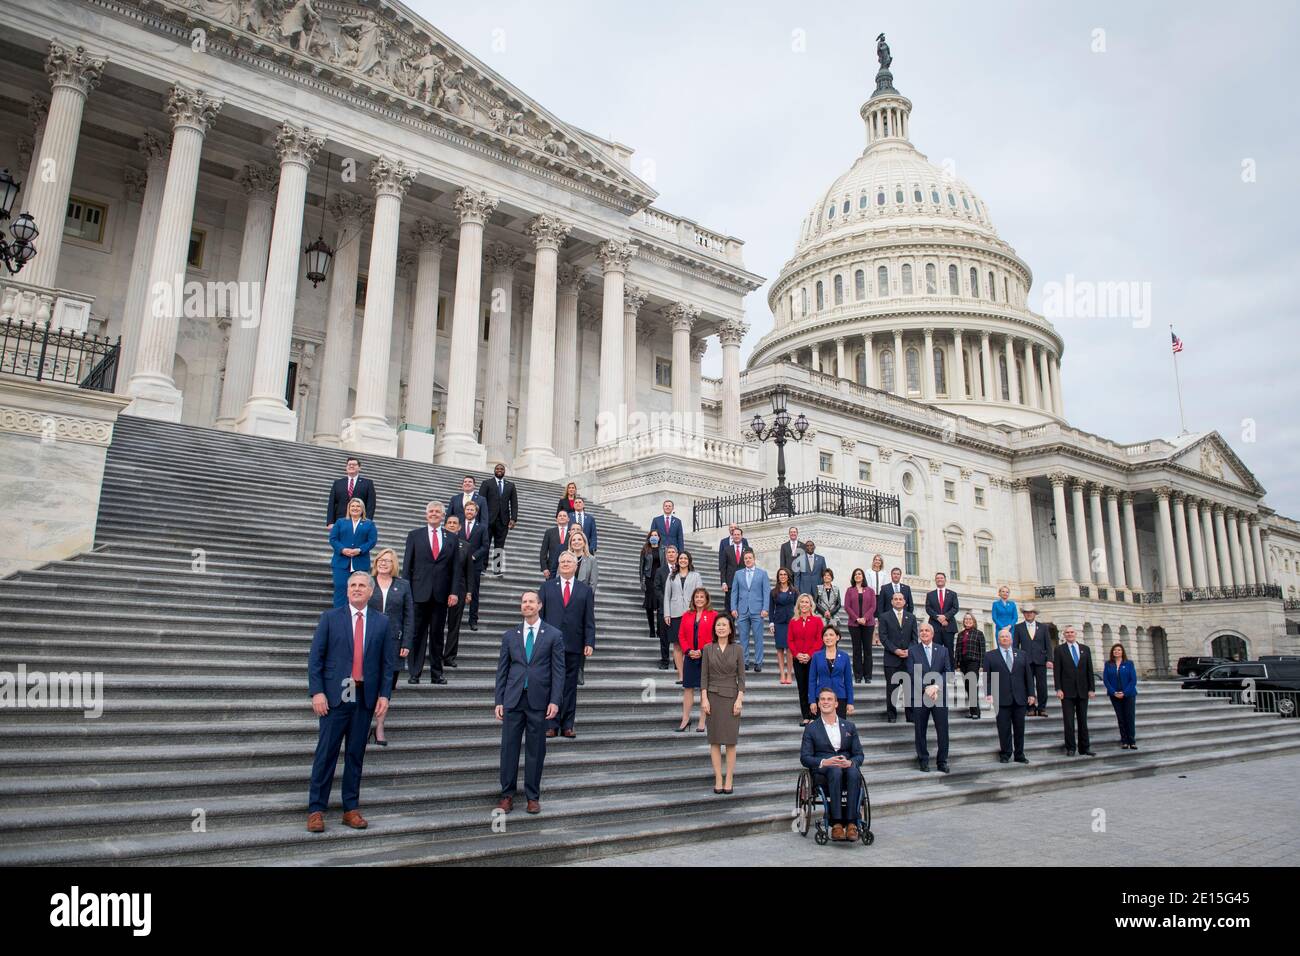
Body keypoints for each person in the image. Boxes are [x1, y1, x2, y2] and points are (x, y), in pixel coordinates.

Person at [306, 572, 394, 833]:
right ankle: (316, 810)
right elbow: (315, 659)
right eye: (352, 585)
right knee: (326, 754)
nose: (356, 589)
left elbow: (387, 664)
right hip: (335, 696)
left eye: (361, 586)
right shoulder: (330, 618)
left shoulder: (382, 622)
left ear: (370, 592)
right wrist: (317, 693)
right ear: (347, 591)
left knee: (355, 755)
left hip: (364, 697)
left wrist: (384, 695)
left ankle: (350, 809)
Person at [494, 591, 564, 815]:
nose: (527, 605)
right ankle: (506, 795)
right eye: (524, 602)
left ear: (540, 605)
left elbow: (558, 671)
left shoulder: (553, 635)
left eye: (531, 601)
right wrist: (499, 700)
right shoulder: (510, 636)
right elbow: (502, 671)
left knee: (536, 751)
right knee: (509, 749)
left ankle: (532, 796)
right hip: (513, 700)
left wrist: (555, 700)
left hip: (539, 701)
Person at [402, 502, 463, 685]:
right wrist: (406, 591)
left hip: (441, 594)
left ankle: (437, 673)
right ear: (426, 514)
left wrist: (454, 592)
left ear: (443, 515)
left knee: (437, 635)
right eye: (431, 511)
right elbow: (407, 567)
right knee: (417, 634)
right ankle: (415, 673)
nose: (434, 514)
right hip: (418, 593)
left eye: (438, 512)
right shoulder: (414, 535)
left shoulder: (451, 538)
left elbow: (455, 569)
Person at [539, 552, 596, 739]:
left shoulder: (585, 590)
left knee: (570, 686)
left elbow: (589, 619)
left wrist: (589, 642)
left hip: (574, 644)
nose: (565, 564)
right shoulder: (546, 588)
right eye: (562, 561)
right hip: (550, 645)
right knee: (551, 684)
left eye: (569, 562)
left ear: (575, 566)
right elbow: (540, 618)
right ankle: (551, 724)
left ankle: (567, 725)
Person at [799, 688, 865, 842]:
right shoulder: (811, 729)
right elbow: (805, 757)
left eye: (829, 699)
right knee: (835, 771)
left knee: (854, 772)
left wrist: (851, 762)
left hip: (846, 767)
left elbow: (859, 755)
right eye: (822, 699)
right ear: (818, 703)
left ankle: (851, 823)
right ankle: (836, 824)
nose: (826, 702)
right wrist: (824, 762)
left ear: (836, 703)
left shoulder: (849, 726)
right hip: (824, 772)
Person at [368, 547, 412, 746]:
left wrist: (407, 642)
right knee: (365, 683)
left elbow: (409, 617)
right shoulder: (367, 583)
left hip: (394, 643)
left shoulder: (403, 585)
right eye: (380, 560)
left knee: (387, 686)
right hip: (368, 641)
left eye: (387, 560)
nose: (383, 563)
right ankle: (362, 722)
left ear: (394, 564)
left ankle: (379, 725)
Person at [701, 614, 745, 794]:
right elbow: (704, 676)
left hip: (732, 697)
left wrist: (739, 699)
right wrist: (704, 698)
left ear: (730, 629)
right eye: (718, 625)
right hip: (712, 696)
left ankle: (729, 777)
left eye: (724, 625)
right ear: (714, 628)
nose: (720, 628)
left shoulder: (738, 649)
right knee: (714, 741)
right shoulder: (707, 648)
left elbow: (741, 677)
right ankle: (718, 776)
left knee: (730, 742)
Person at [983, 627, 1035, 764]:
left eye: (1007, 636)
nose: (1004, 638)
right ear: (998, 639)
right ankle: (1005, 753)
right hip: (1001, 697)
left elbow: (1028, 676)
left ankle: (1019, 754)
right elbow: (987, 677)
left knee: (1019, 728)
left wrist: (1031, 694)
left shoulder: (1022, 654)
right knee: (1003, 728)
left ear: (1011, 639)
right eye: (1002, 637)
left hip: (1020, 698)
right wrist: (988, 693)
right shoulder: (990, 656)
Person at [908, 623, 951, 773]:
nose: (924, 633)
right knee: (920, 730)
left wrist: (936, 687)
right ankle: (923, 760)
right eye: (921, 631)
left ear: (932, 634)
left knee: (943, 730)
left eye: (927, 630)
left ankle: (942, 761)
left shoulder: (943, 650)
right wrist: (926, 688)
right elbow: (912, 673)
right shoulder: (913, 651)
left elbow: (947, 672)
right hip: (920, 696)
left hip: (939, 695)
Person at [677, 587, 716, 733]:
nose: (699, 599)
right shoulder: (687, 615)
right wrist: (688, 651)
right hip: (689, 656)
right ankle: (685, 719)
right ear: (693, 599)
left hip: (705, 657)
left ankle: (702, 720)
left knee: (704, 689)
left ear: (706, 599)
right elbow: (681, 635)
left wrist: (701, 651)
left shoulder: (713, 615)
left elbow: (715, 636)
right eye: (696, 597)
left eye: (702, 597)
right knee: (688, 689)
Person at [1053, 625, 1096, 756]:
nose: (1070, 634)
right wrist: (1058, 688)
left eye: (1072, 632)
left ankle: (1085, 747)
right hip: (1067, 691)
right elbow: (1057, 671)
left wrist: (1091, 688)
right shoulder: (1059, 650)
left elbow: (1090, 670)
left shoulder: (1085, 649)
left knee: (1083, 720)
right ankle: (1071, 747)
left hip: (1083, 690)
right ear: (1064, 635)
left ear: (1075, 634)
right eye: (1067, 633)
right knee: (1069, 721)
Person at [878, 590, 918, 723]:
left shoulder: (911, 617)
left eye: (900, 599)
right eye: (895, 599)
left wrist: (909, 651)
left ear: (905, 602)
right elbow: (883, 637)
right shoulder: (884, 617)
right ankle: (892, 715)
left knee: (909, 689)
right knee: (892, 689)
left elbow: (914, 638)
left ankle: (910, 715)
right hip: (891, 659)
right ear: (891, 601)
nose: (898, 601)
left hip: (908, 659)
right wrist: (895, 650)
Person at [440, 515, 473, 670]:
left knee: (454, 624)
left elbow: (469, 572)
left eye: (455, 523)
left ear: (460, 527)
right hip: (439, 588)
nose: (452, 525)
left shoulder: (465, 546)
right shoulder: (438, 542)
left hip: (459, 589)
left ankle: (450, 656)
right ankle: (436, 652)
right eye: (449, 523)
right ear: (445, 526)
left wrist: (469, 591)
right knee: (437, 623)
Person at [328, 498, 376, 607]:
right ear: (349, 509)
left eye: (358, 506)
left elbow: (372, 541)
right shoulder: (340, 522)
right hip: (341, 563)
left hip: (360, 562)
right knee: (341, 588)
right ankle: (339, 617)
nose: (355, 508)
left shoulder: (369, 524)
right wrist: (342, 549)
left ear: (362, 509)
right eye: (352, 506)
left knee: (359, 591)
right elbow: (333, 539)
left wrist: (360, 550)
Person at [729, 548, 770, 673]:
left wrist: (765, 608)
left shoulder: (762, 573)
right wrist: (733, 608)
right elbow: (734, 592)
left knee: (758, 638)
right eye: (745, 558)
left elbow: (766, 592)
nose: (747, 560)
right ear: (743, 560)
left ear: (754, 559)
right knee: (743, 638)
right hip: (742, 610)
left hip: (758, 610)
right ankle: (744, 662)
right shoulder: (738, 574)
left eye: (749, 558)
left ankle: (758, 662)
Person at [663, 550, 701, 684]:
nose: (683, 560)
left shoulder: (696, 576)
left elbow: (700, 595)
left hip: (691, 613)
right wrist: (667, 613)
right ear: (678, 561)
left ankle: (690, 674)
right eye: (681, 558)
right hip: (675, 614)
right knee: (677, 646)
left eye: (685, 558)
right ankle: (681, 675)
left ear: (689, 561)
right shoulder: (671, 576)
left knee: (690, 644)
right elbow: (667, 595)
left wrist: (699, 612)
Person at [787, 594, 825, 725]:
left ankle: (814, 715)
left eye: (806, 602)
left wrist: (809, 654)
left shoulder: (817, 620)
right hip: (798, 659)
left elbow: (819, 640)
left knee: (812, 686)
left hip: (812, 659)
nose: (804, 604)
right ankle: (805, 715)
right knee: (802, 688)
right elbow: (790, 640)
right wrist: (797, 654)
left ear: (811, 605)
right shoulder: (793, 621)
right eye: (801, 602)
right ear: (798, 605)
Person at [479, 463, 518, 575]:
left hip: (503, 521)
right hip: (488, 520)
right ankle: (482, 567)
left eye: (501, 469)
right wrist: (481, 518)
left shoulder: (510, 485)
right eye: (497, 468)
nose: (499, 470)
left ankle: (497, 569)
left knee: (499, 545)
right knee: (485, 543)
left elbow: (514, 503)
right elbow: (481, 502)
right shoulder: (486, 483)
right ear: (494, 470)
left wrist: (513, 519)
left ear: (504, 471)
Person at [808, 624, 854, 719]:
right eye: (825, 635)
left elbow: (848, 681)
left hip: (840, 697)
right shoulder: (816, 656)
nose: (828, 638)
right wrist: (812, 700)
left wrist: (850, 702)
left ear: (837, 637)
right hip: (821, 697)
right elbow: (812, 680)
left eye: (831, 635)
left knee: (839, 729)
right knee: (821, 730)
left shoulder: (844, 656)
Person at [1013, 604, 1050, 717]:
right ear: (1023, 614)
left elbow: (1048, 644)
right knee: (1027, 685)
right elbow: (1015, 645)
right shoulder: (1019, 627)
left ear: (1035, 614)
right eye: (1026, 612)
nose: (1028, 614)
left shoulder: (1043, 627)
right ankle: (1030, 707)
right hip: (1025, 661)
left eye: (1031, 612)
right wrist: (1016, 659)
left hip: (1040, 660)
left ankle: (1042, 707)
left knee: (1042, 685)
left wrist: (1049, 659)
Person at [457, 501, 488, 632]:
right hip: (458, 564)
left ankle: (473, 620)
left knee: (474, 593)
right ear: (464, 511)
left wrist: (474, 556)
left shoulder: (482, 527)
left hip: (475, 564)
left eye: (472, 510)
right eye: (467, 509)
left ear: (476, 512)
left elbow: (485, 546)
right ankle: (454, 618)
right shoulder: (458, 526)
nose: (469, 512)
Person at [844, 568, 877, 685]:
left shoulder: (870, 591)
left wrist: (865, 618)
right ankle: (858, 676)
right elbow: (847, 607)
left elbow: (873, 607)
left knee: (868, 650)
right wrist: (857, 619)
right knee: (856, 650)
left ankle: (868, 676)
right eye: (856, 574)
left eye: (859, 574)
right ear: (853, 577)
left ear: (863, 576)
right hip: (854, 624)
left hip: (868, 624)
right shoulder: (849, 590)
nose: (858, 576)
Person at [1103, 642, 1138, 750]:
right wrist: (1114, 692)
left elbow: (1133, 680)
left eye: (1119, 650)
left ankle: (1132, 740)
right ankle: (1124, 741)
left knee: (1129, 717)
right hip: (1115, 695)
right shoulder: (1108, 664)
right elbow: (1106, 680)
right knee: (1121, 718)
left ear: (1122, 652)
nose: (1116, 652)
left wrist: (1125, 693)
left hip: (1129, 695)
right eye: (1114, 650)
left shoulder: (1129, 663)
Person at [326, 456, 376, 529]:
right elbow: (331, 503)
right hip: (340, 521)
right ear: (346, 467)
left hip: (360, 521)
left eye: (354, 465)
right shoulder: (337, 483)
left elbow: (371, 504)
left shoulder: (368, 483)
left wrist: (367, 521)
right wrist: (330, 522)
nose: (351, 466)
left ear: (359, 468)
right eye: (349, 465)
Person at [652, 545, 680, 670]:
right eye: (668, 552)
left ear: (677, 554)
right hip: (664, 608)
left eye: (673, 552)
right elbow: (656, 588)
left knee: (678, 637)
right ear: (666, 555)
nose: (671, 554)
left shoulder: (682, 570)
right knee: (663, 637)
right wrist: (665, 600)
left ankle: (677, 661)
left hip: (679, 609)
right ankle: (664, 660)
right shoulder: (660, 571)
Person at [953, 612, 986, 719]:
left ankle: (975, 712)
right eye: (966, 619)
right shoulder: (960, 634)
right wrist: (957, 664)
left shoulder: (979, 634)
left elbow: (983, 651)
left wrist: (982, 664)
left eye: (970, 619)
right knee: (967, 686)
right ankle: (974, 711)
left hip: (974, 662)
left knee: (971, 685)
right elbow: (957, 650)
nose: (968, 621)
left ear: (974, 621)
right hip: (963, 663)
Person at [770, 567, 798, 686]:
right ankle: (782, 673)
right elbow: (771, 609)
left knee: (790, 650)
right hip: (779, 622)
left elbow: (798, 607)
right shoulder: (774, 592)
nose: (782, 576)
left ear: (788, 576)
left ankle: (789, 674)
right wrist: (771, 623)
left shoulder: (795, 591)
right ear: (778, 577)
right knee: (780, 649)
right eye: (780, 574)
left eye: (784, 574)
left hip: (791, 622)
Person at [924, 572, 959, 659]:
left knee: (949, 651)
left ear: (945, 580)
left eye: (941, 578)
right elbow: (928, 608)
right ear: (935, 580)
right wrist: (938, 617)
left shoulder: (952, 594)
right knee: (935, 652)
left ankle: (950, 672)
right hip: (935, 628)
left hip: (949, 626)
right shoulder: (930, 595)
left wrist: (945, 617)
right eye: (937, 578)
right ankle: (936, 671)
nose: (939, 579)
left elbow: (955, 608)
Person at [640, 531, 664, 644]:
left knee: (660, 605)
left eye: (656, 535)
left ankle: (659, 629)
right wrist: (642, 581)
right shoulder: (645, 549)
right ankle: (652, 630)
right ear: (649, 538)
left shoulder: (663, 549)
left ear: (659, 538)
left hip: (660, 580)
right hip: (649, 579)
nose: (654, 537)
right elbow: (641, 566)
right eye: (652, 535)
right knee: (649, 606)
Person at [538, 509, 571, 579]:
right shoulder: (549, 532)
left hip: (568, 567)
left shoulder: (572, 533)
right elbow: (543, 551)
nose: (562, 517)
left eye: (564, 516)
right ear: (557, 519)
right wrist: (544, 568)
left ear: (568, 519)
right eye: (560, 516)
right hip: (551, 568)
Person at [718, 525, 747, 599]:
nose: (736, 536)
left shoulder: (748, 549)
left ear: (741, 536)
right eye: (735, 535)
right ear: (732, 536)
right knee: (729, 606)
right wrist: (723, 582)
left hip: (745, 582)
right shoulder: (727, 550)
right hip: (730, 583)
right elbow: (723, 567)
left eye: (738, 535)